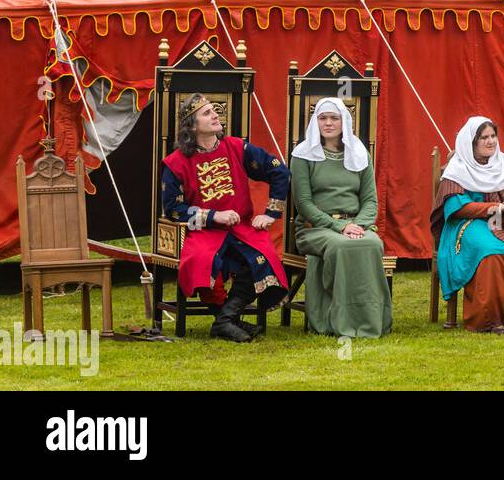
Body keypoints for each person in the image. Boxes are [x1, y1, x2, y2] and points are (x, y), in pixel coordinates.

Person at [160, 93, 290, 342]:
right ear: (193, 125)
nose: (215, 115)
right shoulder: (176, 163)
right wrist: (213, 216)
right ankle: (227, 320)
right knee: (202, 260)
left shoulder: (237, 147)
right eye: (207, 113)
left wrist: (271, 212)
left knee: (264, 256)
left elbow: (279, 171)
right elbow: (173, 209)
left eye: (214, 110)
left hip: (241, 228)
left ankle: (225, 321)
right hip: (203, 232)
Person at [431, 117, 504, 334]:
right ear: (472, 143)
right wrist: (495, 207)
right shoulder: (457, 169)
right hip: (465, 223)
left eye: (493, 136)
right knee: (490, 252)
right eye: (484, 137)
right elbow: (456, 208)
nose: (490, 141)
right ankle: (490, 320)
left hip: (500, 221)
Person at [289, 97, 392, 337]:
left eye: (334, 118)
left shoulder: (359, 154)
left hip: (355, 224)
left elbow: (370, 201)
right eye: (322, 118)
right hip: (314, 227)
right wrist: (339, 226)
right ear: (315, 122)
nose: (328, 123)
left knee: (373, 242)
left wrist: (356, 225)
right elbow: (303, 204)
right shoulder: (302, 156)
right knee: (341, 245)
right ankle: (339, 319)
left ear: (344, 121)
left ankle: (371, 320)